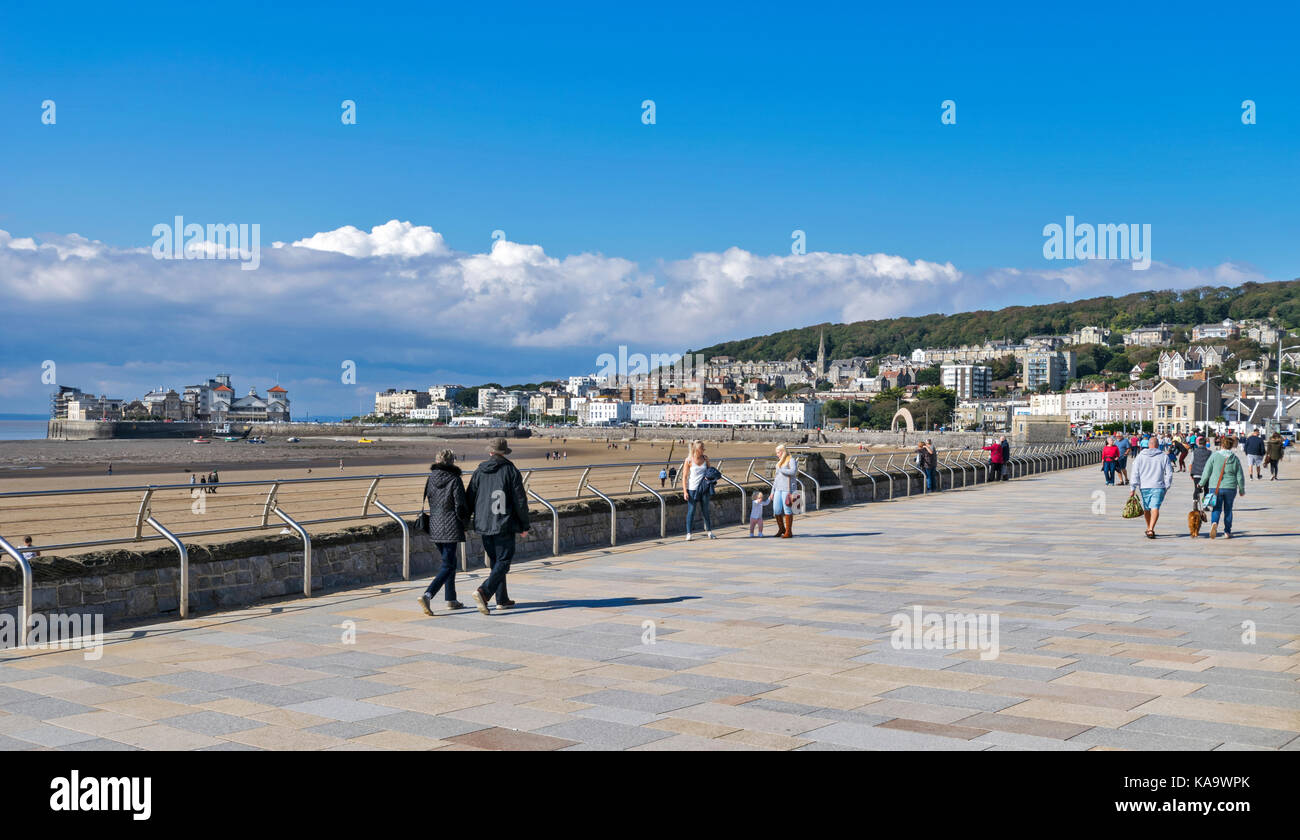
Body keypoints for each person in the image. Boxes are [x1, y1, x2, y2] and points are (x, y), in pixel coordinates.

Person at [468, 438, 530, 615]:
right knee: (503, 561)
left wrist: (467, 520)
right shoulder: (510, 470)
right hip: (503, 523)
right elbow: (520, 501)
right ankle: (484, 591)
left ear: (490, 452)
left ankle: (501, 599)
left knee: (496, 562)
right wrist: (524, 524)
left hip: (484, 523)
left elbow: (470, 497)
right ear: (504, 452)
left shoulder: (479, 471)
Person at [417, 450, 469, 615]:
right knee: (448, 565)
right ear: (452, 461)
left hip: (434, 525)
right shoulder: (454, 479)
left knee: (449, 561)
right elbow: (460, 506)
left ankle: (451, 599)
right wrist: (466, 522)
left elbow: (430, 499)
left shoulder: (431, 478)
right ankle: (428, 594)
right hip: (451, 525)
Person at [1199, 436, 1245, 539]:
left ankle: (1214, 523)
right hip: (1230, 487)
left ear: (1222, 445)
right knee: (1228, 510)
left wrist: (1201, 483)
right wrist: (1241, 489)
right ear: (1231, 446)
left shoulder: (1214, 456)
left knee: (1216, 508)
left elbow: (1207, 471)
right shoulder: (1235, 458)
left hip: (1216, 487)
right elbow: (1239, 475)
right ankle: (1227, 531)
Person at [1130, 435, 1173, 539]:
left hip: (1144, 486)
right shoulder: (1163, 456)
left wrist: (1133, 487)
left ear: (1148, 445)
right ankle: (1150, 528)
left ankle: (1150, 528)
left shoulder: (1140, 456)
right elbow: (1169, 473)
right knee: (1155, 507)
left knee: (1148, 508)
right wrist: (1166, 486)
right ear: (1158, 445)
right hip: (1158, 486)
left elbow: (1134, 473)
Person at [682, 440, 717, 541]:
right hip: (692, 489)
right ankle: (688, 533)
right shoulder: (689, 460)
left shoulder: (705, 458)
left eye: (703, 448)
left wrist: (710, 478)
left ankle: (709, 532)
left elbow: (710, 472)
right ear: (696, 449)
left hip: (704, 488)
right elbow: (684, 477)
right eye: (702, 448)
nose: (703, 450)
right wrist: (685, 491)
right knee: (691, 511)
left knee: (705, 510)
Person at [771, 443, 800, 538]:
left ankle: (788, 531)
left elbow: (793, 471)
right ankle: (781, 529)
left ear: (783, 451)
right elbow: (776, 478)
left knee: (787, 509)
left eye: (778, 452)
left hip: (787, 489)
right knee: (776, 509)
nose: (777, 454)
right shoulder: (778, 463)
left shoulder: (791, 460)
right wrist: (772, 492)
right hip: (778, 489)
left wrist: (781, 470)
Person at [1189, 435, 1212, 508]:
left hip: (1196, 474)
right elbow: (1211, 464)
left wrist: (1191, 473)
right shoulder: (1209, 452)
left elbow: (1190, 463)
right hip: (1206, 475)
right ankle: (1205, 505)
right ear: (1205, 444)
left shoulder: (1194, 452)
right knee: (1206, 490)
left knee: (1196, 489)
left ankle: (1195, 501)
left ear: (1198, 443)